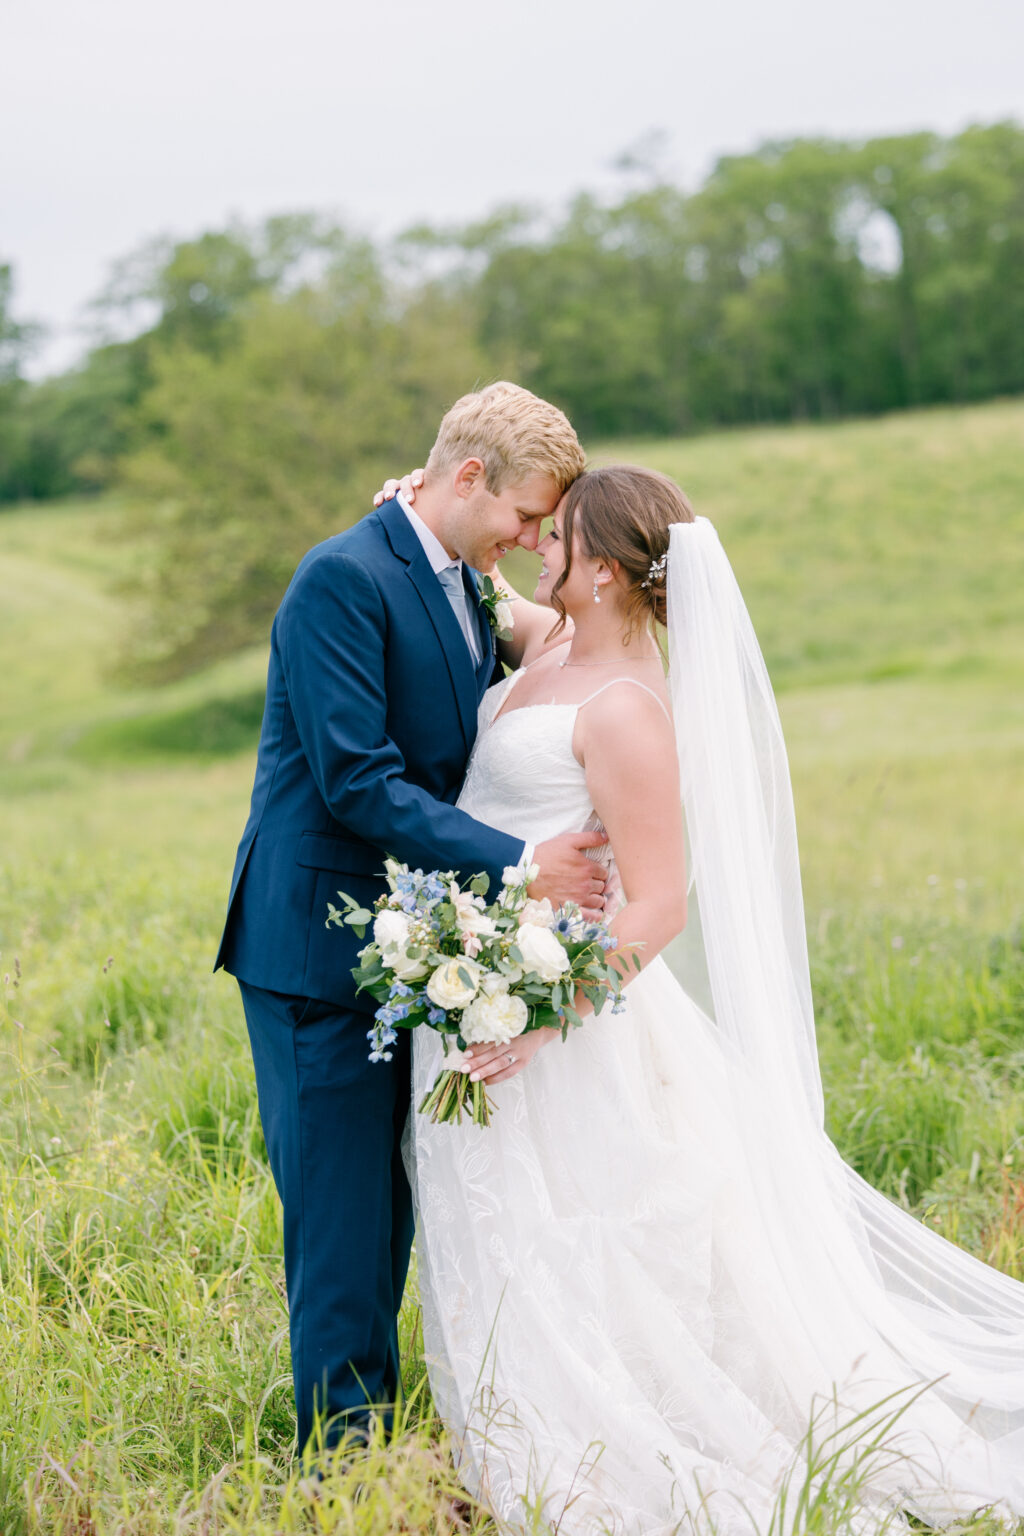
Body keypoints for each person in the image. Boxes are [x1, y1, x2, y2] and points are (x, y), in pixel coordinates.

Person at [388, 464, 1024, 1532]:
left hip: (562, 1029)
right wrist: (405, 513)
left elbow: (658, 907)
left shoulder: (628, 706)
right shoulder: (552, 645)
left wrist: (539, 1016)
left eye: (559, 539)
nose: (538, 546)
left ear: (602, 568)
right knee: (504, 1237)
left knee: (589, 1246)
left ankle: (594, 1453)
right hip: (483, 988)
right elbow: (473, 586)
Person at [214, 383, 612, 1455]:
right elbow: (357, 781)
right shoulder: (341, 576)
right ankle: (345, 1475)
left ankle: (377, 1442)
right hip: (314, 944)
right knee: (342, 1226)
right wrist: (524, 865)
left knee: (390, 1211)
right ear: (468, 475)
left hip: (414, 953)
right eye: (527, 516)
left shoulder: (459, 578)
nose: (531, 541)